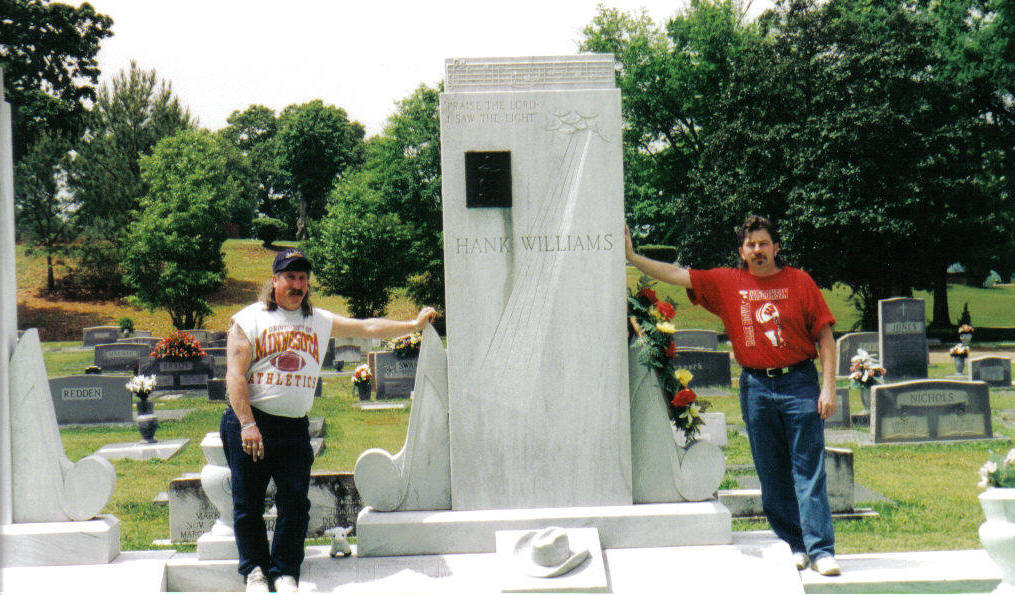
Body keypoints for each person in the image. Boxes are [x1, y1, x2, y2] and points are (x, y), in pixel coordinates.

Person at [625, 215, 841, 577]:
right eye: (750, 244)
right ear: (741, 251)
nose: (757, 250)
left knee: (808, 469)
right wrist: (633, 258)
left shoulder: (799, 282)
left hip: (799, 383)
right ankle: (794, 545)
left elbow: (825, 336)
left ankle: (821, 550)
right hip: (756, 387)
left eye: (763, 243)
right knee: (771, 471)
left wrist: (829, 386)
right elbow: (677, 275)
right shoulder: (727, 282)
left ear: (776, 247)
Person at [223, 247, 437, 592]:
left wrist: (412, 324)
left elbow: (367, 326)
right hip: (252, 424)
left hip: (293, 425)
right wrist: (247, 424)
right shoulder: (249, 319)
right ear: (275, 280)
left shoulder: (318, 320)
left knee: (295, 504)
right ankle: (255, 572)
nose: (297, 284)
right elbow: (234, 376)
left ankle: (284, 571)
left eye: (303, 278)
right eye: (290, 277)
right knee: (248, 503)